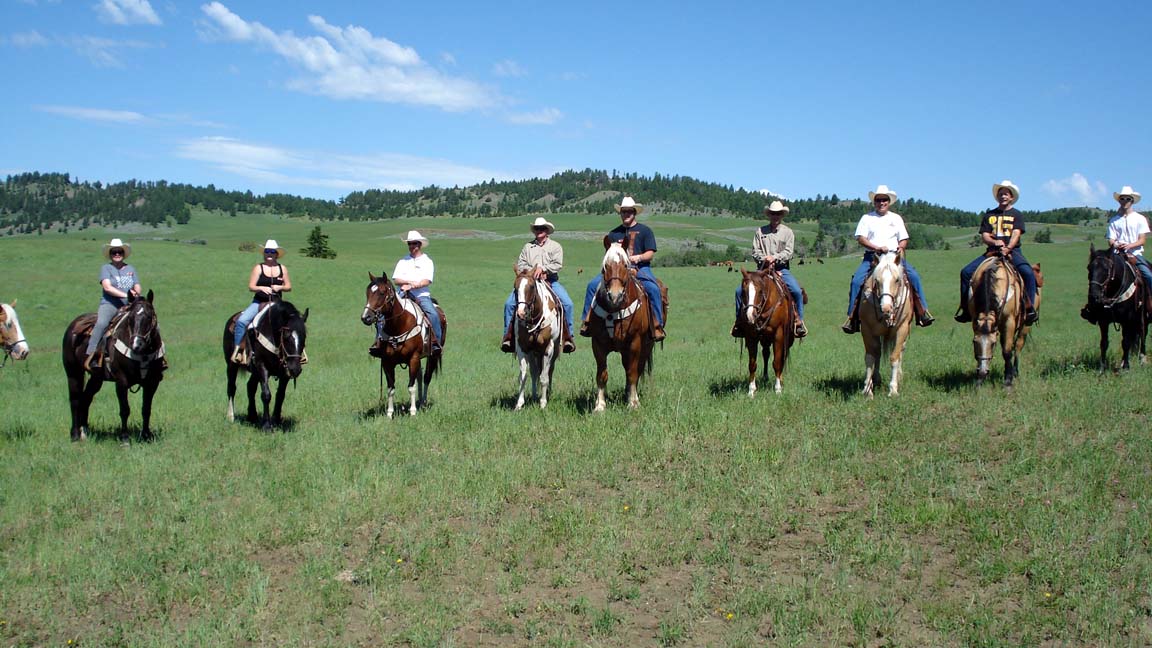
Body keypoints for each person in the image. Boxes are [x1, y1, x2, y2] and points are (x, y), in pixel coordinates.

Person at [842, 185, 935, 333]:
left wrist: (901, 247)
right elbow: (861, 238)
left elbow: (903, 238)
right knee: (856, 281)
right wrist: (876, 247)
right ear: (874, 202)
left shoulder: (896, 218)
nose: (882, 203)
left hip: (893, 257)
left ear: (889, 202)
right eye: (878, 200)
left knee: (914, 277)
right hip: (873, 257)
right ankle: (852, 318)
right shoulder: (867, 218)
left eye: (884, 200)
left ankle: (922, 312)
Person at [579, 196, 666, 341]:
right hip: (617, 270)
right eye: (623, 211)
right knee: (592, 285)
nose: (626, 214)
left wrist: (638, 258)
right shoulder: (614, 234)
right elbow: (609, 255)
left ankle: (657, 325)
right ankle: (587, 321)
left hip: (640, 268)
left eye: (629, 211)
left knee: (653, 289)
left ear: (634, 213)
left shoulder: (645, 231)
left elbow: (650, 253)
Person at [954, 181, 1038, 324]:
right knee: (966, 272)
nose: (1003, 196)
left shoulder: (1017, 215)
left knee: (1028, 273)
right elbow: (985, 236)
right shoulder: (989, 215)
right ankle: (966, 309)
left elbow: (1016, 233)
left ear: (1011, 197)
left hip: (1013, 251)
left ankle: (1029, 309)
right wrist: (995, 243)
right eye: (1001, 194)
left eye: (1006, 194)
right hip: (992, 252)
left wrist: (1008, 248)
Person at [731, 200, 807, 338]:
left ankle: (799, 322)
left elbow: (789, 252)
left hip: (781, 269)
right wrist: (764, 259)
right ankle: (739, 322)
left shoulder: (788, 232)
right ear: (769, 215)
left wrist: (775, 258)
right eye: (773, 213)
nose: (775, 216)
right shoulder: (760, 232)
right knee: (738, 291)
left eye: (778, 214)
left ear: (782, 215)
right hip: (761, 269)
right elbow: (755, 251)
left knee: (796, 291)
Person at [501, 216, 576, 353]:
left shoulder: (555, 246)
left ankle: (568, 337)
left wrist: (544, 269)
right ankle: (508, 338)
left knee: (567, 304)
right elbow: (521, 263)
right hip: (529, 282)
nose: (539, 230)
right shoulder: (527, 247)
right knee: (509, 304)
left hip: (550, 281)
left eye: (542, 228)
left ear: (547, 230)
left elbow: (557, 264)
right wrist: (532, 271)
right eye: (536, 228)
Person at [1083, 185, 1152, 322]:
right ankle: (1092, 309)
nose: (1125, 201)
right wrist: (1115, 245)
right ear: (1119, 200)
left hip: (1134, 255)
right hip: (1116, 255)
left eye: (1128, 199)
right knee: (1097, 275)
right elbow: (1111, 239)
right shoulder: (1114, 220)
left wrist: (1129, 245)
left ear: (1132, 201)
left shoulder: (1140, 219)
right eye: (1122, 198)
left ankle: (1149, 305)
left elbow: (1142, 240)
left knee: (1149, 275)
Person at [231, 239, 292, 364]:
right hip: (259, 302)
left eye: (272, 252)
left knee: (293, 324)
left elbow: (288, 287)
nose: (269, 254)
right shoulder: (258, 268)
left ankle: (296, 355)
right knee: (242, 322)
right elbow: (251, 286)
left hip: (276, 304)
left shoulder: (282, 269)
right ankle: (239, 351)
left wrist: (279, 287)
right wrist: (261, 288)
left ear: (276, 254)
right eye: (267, 251)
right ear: (264, 253)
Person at [85, 238, 142, 371]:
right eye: (114, 252)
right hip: (110, 304)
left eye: (119, 251)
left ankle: (157, 356)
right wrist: (126, 295)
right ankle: (91, 354)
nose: (117, 254)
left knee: (146, 321)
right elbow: (107, 287)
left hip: (129, 304)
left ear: (123, 253)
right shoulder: (106, 268)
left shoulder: (130, 268)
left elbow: (137, 285)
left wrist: (136, 293)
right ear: (110, 254)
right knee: (102, 323)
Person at [392, 230, 442, 353]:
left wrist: (413, 286)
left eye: (414, 243)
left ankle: (435, 343)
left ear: (419, 244)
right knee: (384, 313)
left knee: (433, 314)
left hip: (421, 295)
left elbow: (427, 280)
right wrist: (408, 283)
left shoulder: (427, 261)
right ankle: (379, 341)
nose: (411, 246)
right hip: (402, 294)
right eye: (409, 244)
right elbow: (396, 280)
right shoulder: (402, 261)